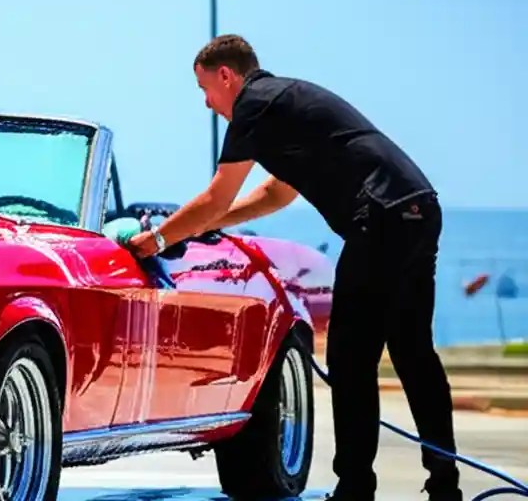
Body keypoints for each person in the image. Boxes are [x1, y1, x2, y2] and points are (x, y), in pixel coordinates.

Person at [127, 34, 461, 501]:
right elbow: (275, 194)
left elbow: (216, 194)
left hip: (381, 217)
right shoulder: (285, 101)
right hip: (419, 208)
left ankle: (356, 487)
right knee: (412, 352)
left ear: (227, 75)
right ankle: (446, 484)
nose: (206, 103)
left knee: (350, 357)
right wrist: (210, 225)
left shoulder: (253, 105)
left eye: (205, 89)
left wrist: (159, 239)